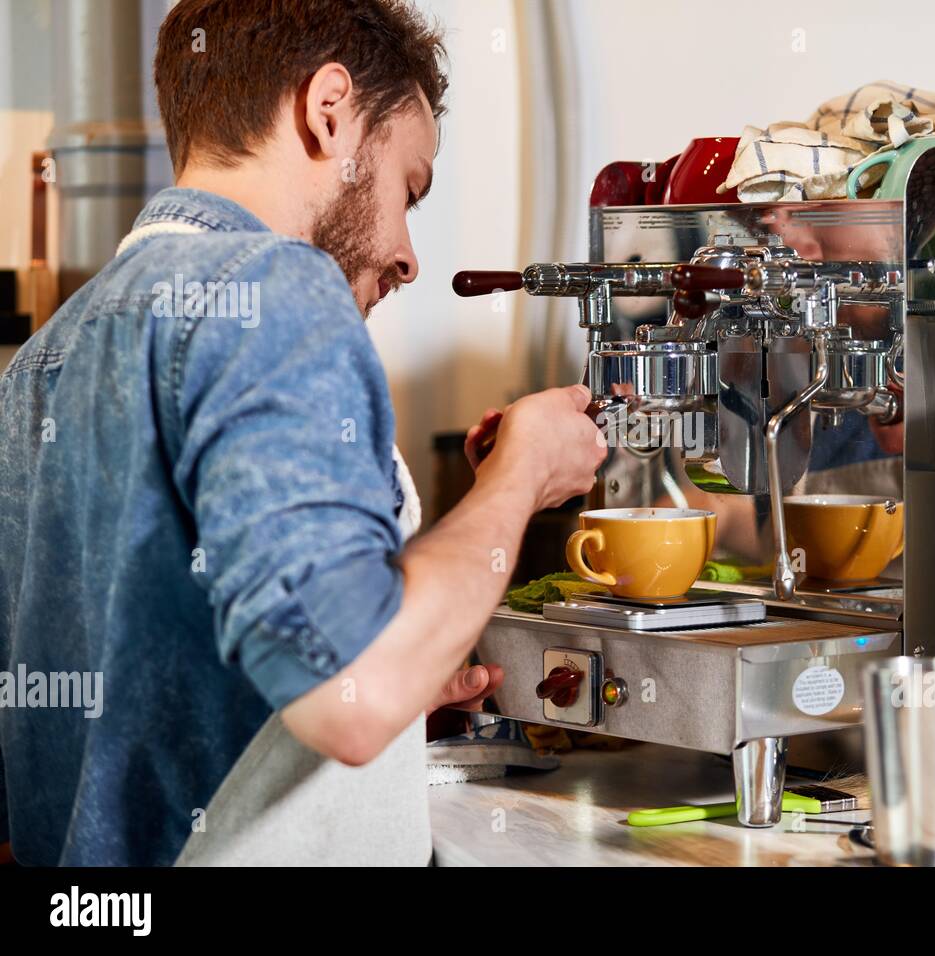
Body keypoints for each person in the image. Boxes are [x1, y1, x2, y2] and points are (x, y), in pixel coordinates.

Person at [0, 0, 604, 866]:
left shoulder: (44, 357)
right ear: (329, 113)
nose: (407, 254)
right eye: (410, 189)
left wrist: (377, 700)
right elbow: (346, 703)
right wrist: (519, 478)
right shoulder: (277, 291)